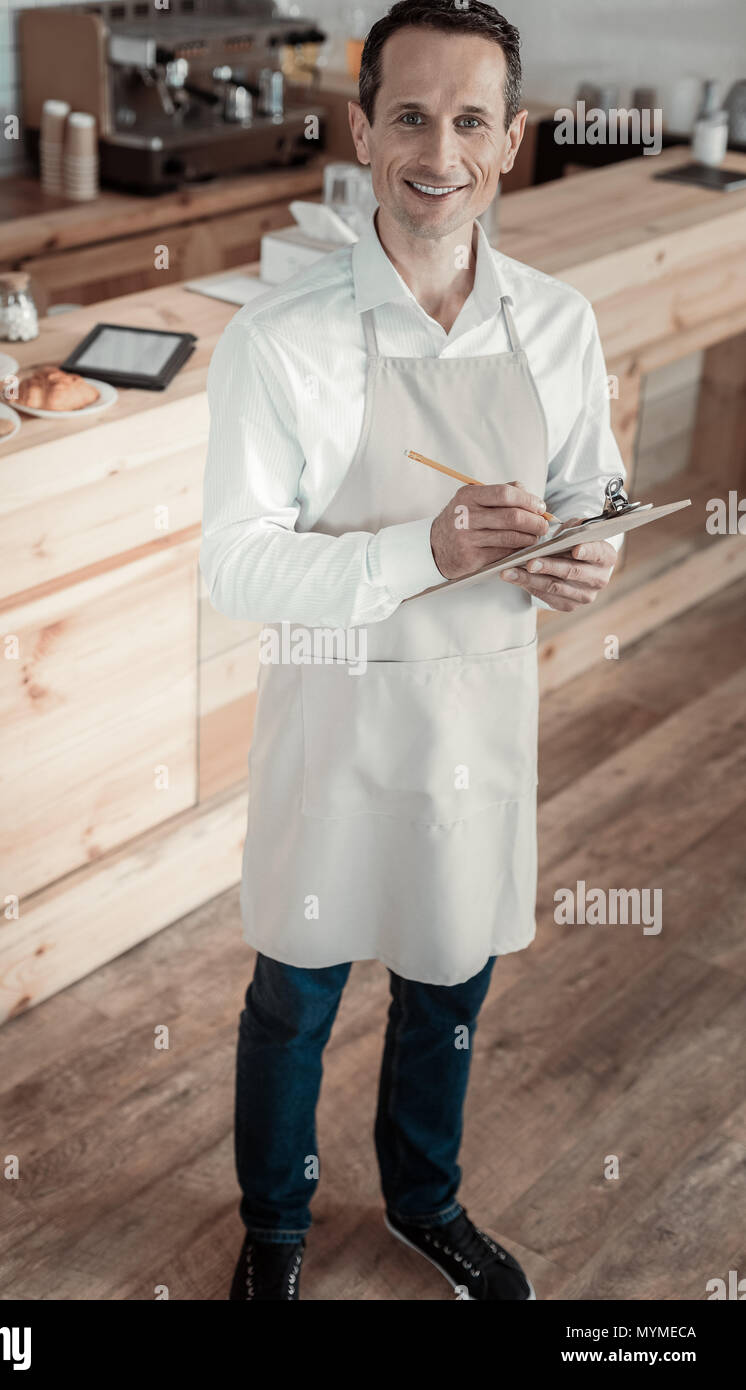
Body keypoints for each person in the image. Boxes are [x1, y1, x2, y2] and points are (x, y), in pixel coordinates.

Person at [201, 0, 622, 1301]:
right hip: (331, 733)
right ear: (360, 129)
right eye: (408, 115)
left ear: (511, 142)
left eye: (468, 119)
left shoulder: (558, 324)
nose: (436, 149)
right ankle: (273, 1223)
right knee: (294, 999)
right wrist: (416, 554)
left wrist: (586, 561)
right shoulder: (277, 341)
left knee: (446, 990)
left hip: (470, 725)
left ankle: (423, 1201)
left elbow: (594, 494)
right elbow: (236, 566)